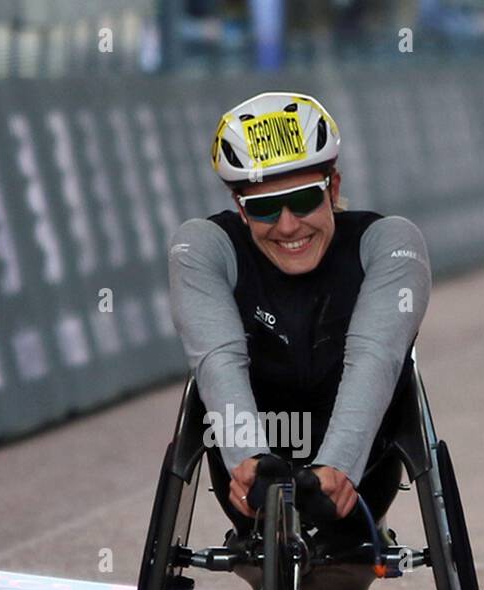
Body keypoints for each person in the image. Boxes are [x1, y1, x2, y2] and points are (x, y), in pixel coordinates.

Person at [169, 91, 431, 551]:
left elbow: (376, 355)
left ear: (333, 187)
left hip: (359, 476)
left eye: (304, 199)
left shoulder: (389, 242)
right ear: (239, 205)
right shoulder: (204, 246)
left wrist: (337, 467)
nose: (288, 226)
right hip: (251, 479)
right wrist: (248, 460)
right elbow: (217, 360)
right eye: (264, 208)